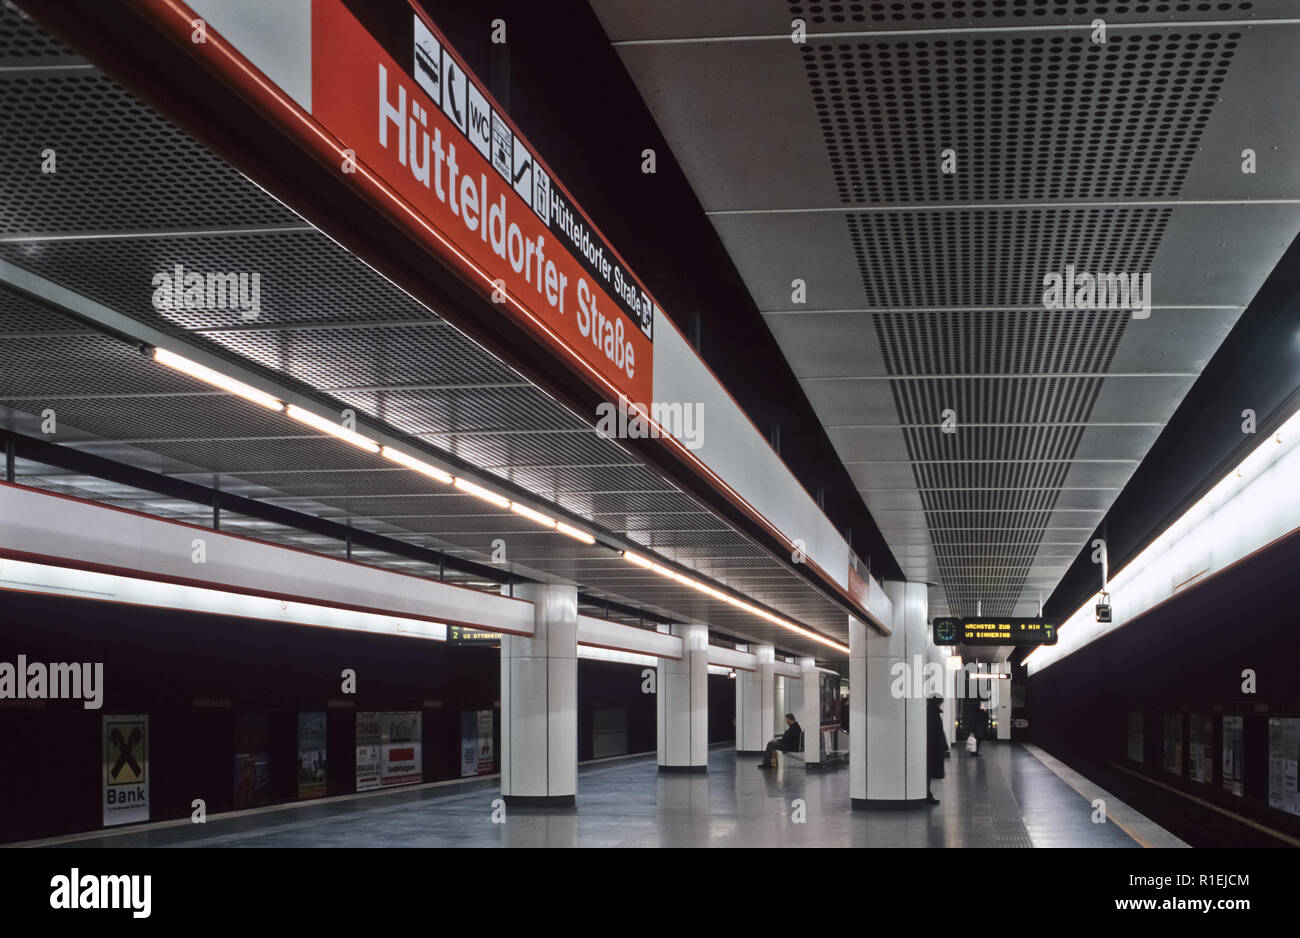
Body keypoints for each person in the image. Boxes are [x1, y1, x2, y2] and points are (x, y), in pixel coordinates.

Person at [925, 697, 945, 804]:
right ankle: (927, 794)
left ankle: (927, 793)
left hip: (930, 748)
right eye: (940, 703)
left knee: (928, 772)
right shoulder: (933, 714)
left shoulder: (929, 712)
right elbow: (937, 732)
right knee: (928, 772)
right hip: (932, 748)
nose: (941, 705)